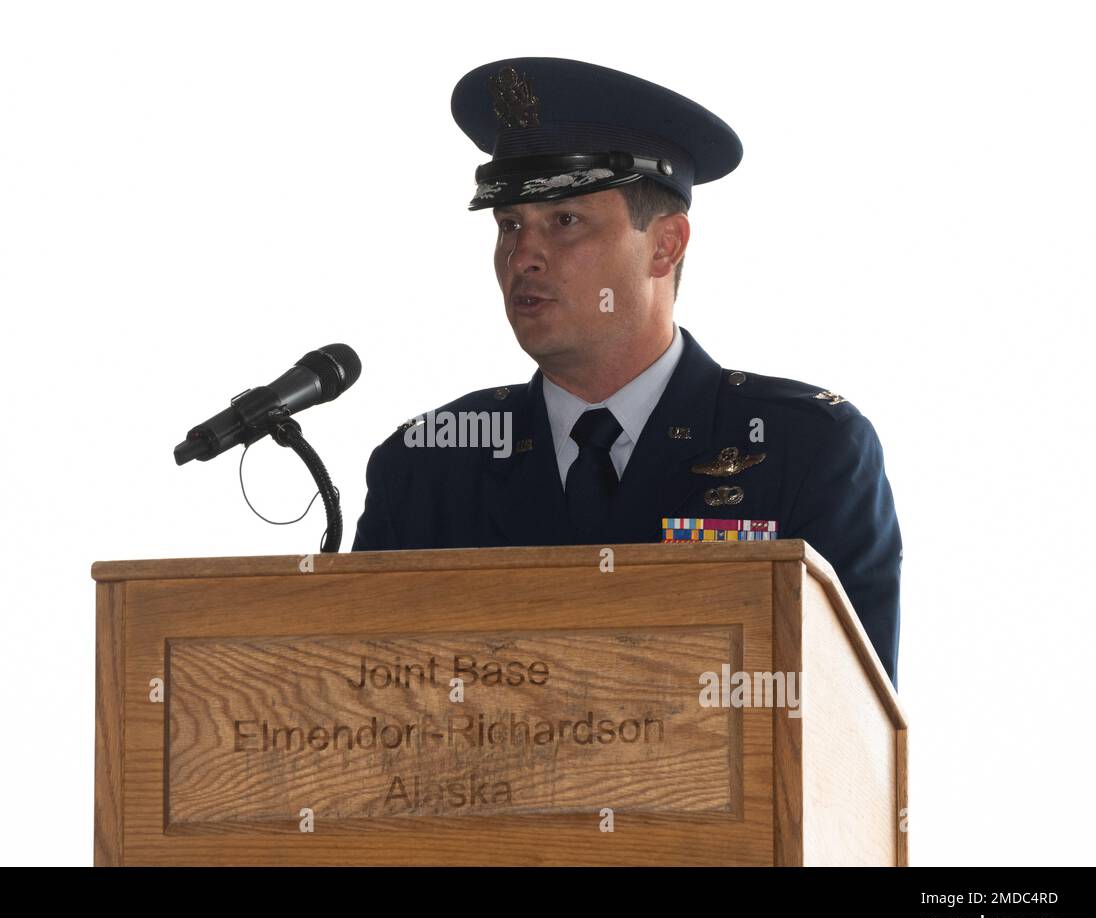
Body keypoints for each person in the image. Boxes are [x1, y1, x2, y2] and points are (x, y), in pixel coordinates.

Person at [351, 57, 903, 689]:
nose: (522, 256)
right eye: (509, 225)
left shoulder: (806, 450)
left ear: (664, 245)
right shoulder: (428, 464)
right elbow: (359, 701)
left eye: (565, 221)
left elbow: (848, 729)